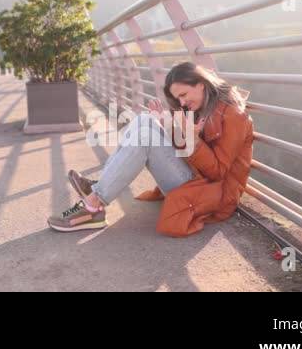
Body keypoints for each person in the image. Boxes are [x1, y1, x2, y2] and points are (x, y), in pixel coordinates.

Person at [47, 61, 254, 237]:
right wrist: (168, 126)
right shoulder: (201, 107)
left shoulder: (233, 115)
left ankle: (93, 206)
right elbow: (186, 152)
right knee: (146, 120)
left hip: (210, 194)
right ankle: (100, 187)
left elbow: (217, 173)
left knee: (146, 136)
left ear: (201, 84)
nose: (181, 102)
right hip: (195, 178)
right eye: (178, 98)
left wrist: (192, 138)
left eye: (184, 94)